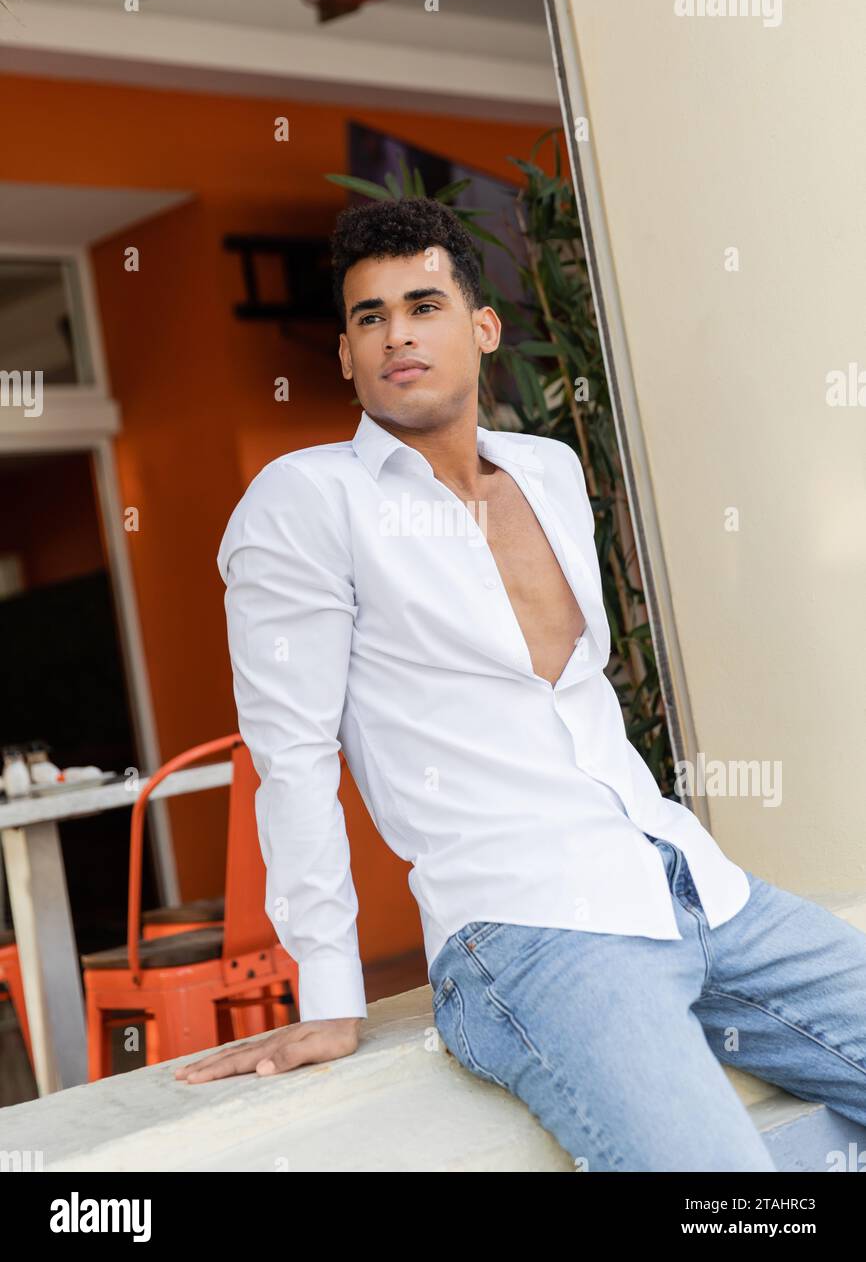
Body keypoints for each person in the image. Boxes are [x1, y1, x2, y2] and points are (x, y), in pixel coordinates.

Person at [179, 197, 866, 1172]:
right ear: (342, 354)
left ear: (482, 327)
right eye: (368, 318)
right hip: (529, 931)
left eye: (422, 304)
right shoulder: (305, 503)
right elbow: (290, 752)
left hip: (685, 878)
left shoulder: (545, 472)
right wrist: (328, 994)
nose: (396, 334)